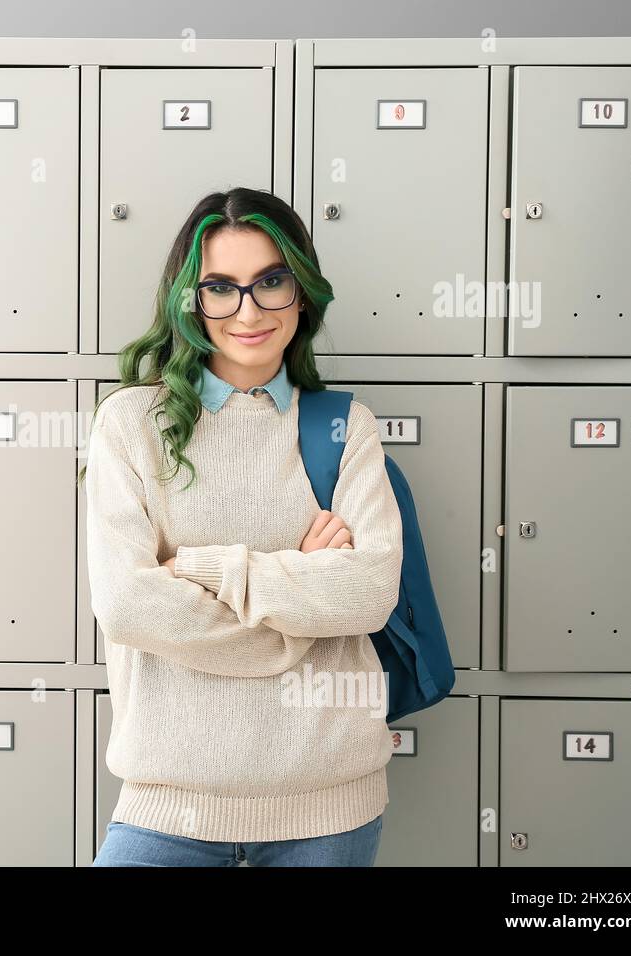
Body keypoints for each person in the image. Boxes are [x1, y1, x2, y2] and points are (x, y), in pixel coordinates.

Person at [79, 186, 403, 867]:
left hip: (330, 808)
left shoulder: (344, 428)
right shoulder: (131, 426)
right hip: (168, 804)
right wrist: (300, 612)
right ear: (189, 301)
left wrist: (203, 568)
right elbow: (127, 603)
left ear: (302, 291)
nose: (248, 310)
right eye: (220, 287)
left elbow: (370, 594)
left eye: (271, 282)